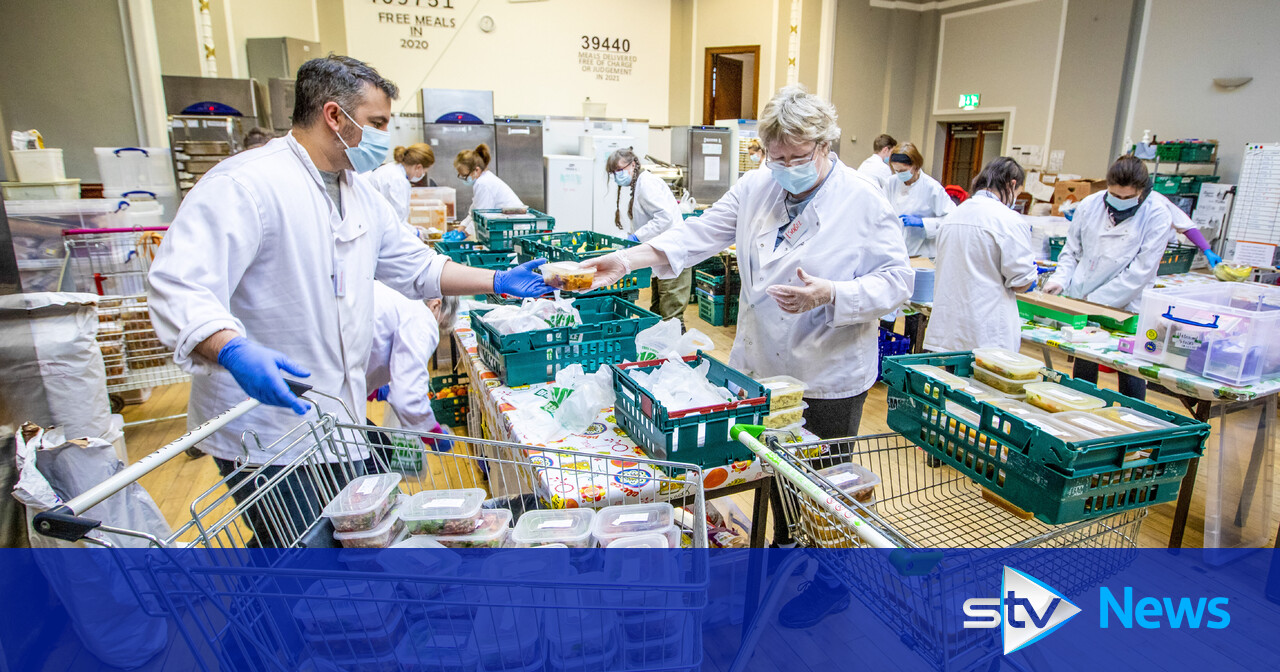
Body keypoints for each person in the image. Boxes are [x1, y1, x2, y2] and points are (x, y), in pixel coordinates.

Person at [149, 55, 551, 546]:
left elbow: (417, 266)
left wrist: (498, 280)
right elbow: (180, 285)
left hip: (337, 417)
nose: (385, 136)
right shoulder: (244, 184)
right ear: (335, 116)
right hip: (265, 425)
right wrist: (232, 348)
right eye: (378, 122)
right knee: (305, 549)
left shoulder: (358, 194)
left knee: (341, 540)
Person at [580, 86, 912, 628]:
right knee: (776, 471)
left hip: (827, 368)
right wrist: (625, 260)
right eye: (774, 156)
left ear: (826, 146)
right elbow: (696, 236)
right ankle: (787, 545)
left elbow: (898, 280)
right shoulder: (759, 186)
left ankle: (832, 582)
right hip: (762, 363)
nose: (784, 167)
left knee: (824, 483)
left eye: (797, 158)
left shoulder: (864, 200)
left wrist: (831, 292)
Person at [1045, 155, 1172, 401]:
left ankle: (1133, 417)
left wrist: (1095, 301)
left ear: (1142, 192)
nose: (1120, 202)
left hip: (1128, 303)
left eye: (1127, 198)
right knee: (1084, 361)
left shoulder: (1157, 214)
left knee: (1129, 367)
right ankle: (1079, 411)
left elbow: (1140, 272)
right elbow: (1071, 251)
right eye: (1115, 196)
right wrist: (1060, 279)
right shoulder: (1089, 206)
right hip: (1083, 295)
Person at [923, 157, 1038, 353]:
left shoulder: (954, 216)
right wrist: (1033, 278)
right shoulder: (1009, 220)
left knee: (953, 381)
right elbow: (1020, 282)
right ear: (1012, 185)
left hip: (949, 328)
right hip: (987, 333)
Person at [365, 283, 459, 457]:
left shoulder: (394, 296)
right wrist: (434, 436)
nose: (435, 329)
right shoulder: (421, 317)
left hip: (324, 386)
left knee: (378, 449)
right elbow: (407, 397)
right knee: (377, 458)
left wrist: (376, 392)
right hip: (324, 402)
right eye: (439, 324)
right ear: (435, 305)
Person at [606, 148, 692, 322]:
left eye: (620, 170)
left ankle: (677, 348)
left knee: (671, 315)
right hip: (662, 256)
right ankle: (662, 348)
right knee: (658, 312)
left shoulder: (647, 184)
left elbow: (665, 217)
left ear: (634, 164)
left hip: (673, 254)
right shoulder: (639, 185)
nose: (617, 175)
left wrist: (637, 237)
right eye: (614, 172)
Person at [884, 142, 956, 258]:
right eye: (896, 171)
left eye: (903, 171)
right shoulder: (891, 183)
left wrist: (924, 223)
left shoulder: (932, 187)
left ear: (916, 166)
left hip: (922, 253)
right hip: (895, 251)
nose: (899, 175)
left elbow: (952, 219)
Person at [455, 143, 523, 237]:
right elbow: (474, 211)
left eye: (465, 176)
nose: (464, 179)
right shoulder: (483, 180)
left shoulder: (483, 183)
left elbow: (482, 216)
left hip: (514, 230)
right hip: (507, 227)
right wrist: (461, 228)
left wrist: (463, 234)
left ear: (476, 170)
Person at [370, 143, 435, 223]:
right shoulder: (398, 181)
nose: (423, 174)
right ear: (418, 167)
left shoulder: (393, 169)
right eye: (425, 171)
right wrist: (416, 233)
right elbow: (398, 221)